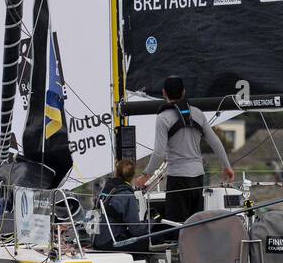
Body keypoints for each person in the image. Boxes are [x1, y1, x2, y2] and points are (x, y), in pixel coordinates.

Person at [135, 76, 234, 223]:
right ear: (183, 92)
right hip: (198, 177)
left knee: (177, 226)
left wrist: (146, 175)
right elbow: (215, 142)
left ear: (164, 93)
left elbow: (159, 153)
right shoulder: (198, 113)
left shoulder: (163, 118)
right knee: (195, 223)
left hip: (178, 178)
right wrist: (227, 167)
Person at [94, 159, 141, 249]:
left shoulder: (106, 189)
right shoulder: (126, 194)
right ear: (132, 176)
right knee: (153, 238)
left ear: (116, 173)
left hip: (96, 240)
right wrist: (153, 222)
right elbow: (136, 230)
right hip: (110, 242)